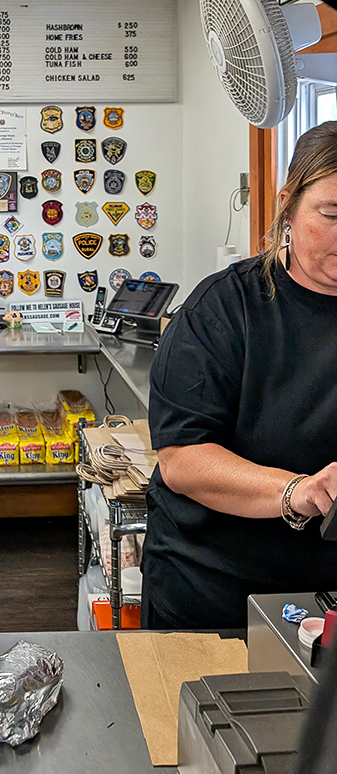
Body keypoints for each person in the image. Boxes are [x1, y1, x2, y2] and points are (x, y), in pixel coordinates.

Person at [142, 120, 337, 631]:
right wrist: (297, 491)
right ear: (288, 206)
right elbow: (183, 459)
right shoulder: (224, 308)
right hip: (217, 590)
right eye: (332, 215)